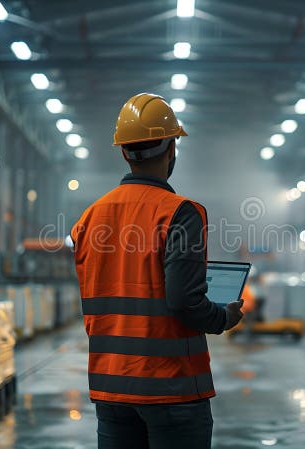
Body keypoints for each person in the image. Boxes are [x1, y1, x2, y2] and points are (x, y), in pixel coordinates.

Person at [71, 93, 245, 449]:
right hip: (171, 386)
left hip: (111, 388)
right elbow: (184, 301)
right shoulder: (181, 213)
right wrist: (223, 317)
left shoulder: (89, 218)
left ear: (123, 152)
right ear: (172, 151)